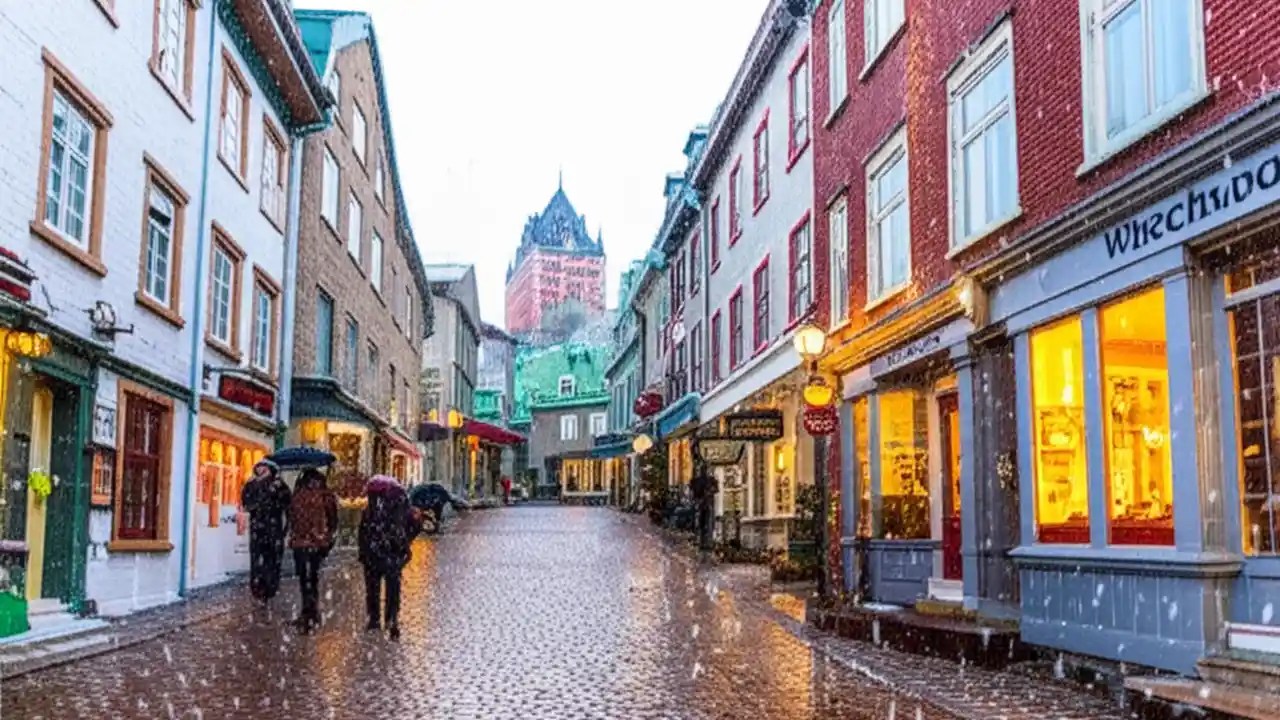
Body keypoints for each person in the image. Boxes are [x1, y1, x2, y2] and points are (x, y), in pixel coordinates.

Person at [358, 475, 415, 640]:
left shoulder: (371, 509)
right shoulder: (400, 504)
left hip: (375, 554)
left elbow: (363, 533)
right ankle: (391, 618)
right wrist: (405, 545)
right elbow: (410, 526)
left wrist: (364, 552)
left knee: (373, 589)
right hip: (392, 554)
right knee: (392, 588)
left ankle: (375, 619)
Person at [287, 468, 338, 632]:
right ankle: (310, 612)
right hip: (312, 540)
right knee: (309, 577)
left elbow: (332, 518)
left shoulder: (301, 494)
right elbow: (333, 518)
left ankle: (309, 612)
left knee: (307, 578)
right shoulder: (323, 494)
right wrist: (327, 536)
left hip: (308, 541)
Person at [241, 459, 291, 604]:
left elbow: (286, 504)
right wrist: (257, 503)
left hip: (273, 529)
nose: (261, 470)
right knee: (257, 560)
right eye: (259, 467)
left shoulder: (279, 485)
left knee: (272, 560)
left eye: (264, 467)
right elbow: (246, 502)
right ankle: (258, 589)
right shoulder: (251, 484)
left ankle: (269, 588)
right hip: (258, 527)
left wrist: (276, 494)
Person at [690, 465, 716, 551]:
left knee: (706, 523)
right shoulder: (698, 481)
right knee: (702, 523)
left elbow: (715, 489)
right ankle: (703, 542)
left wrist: (709, 492)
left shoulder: (710, 480)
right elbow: (693, 492)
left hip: (706, 504)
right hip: (703, 504)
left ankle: (706, 542)